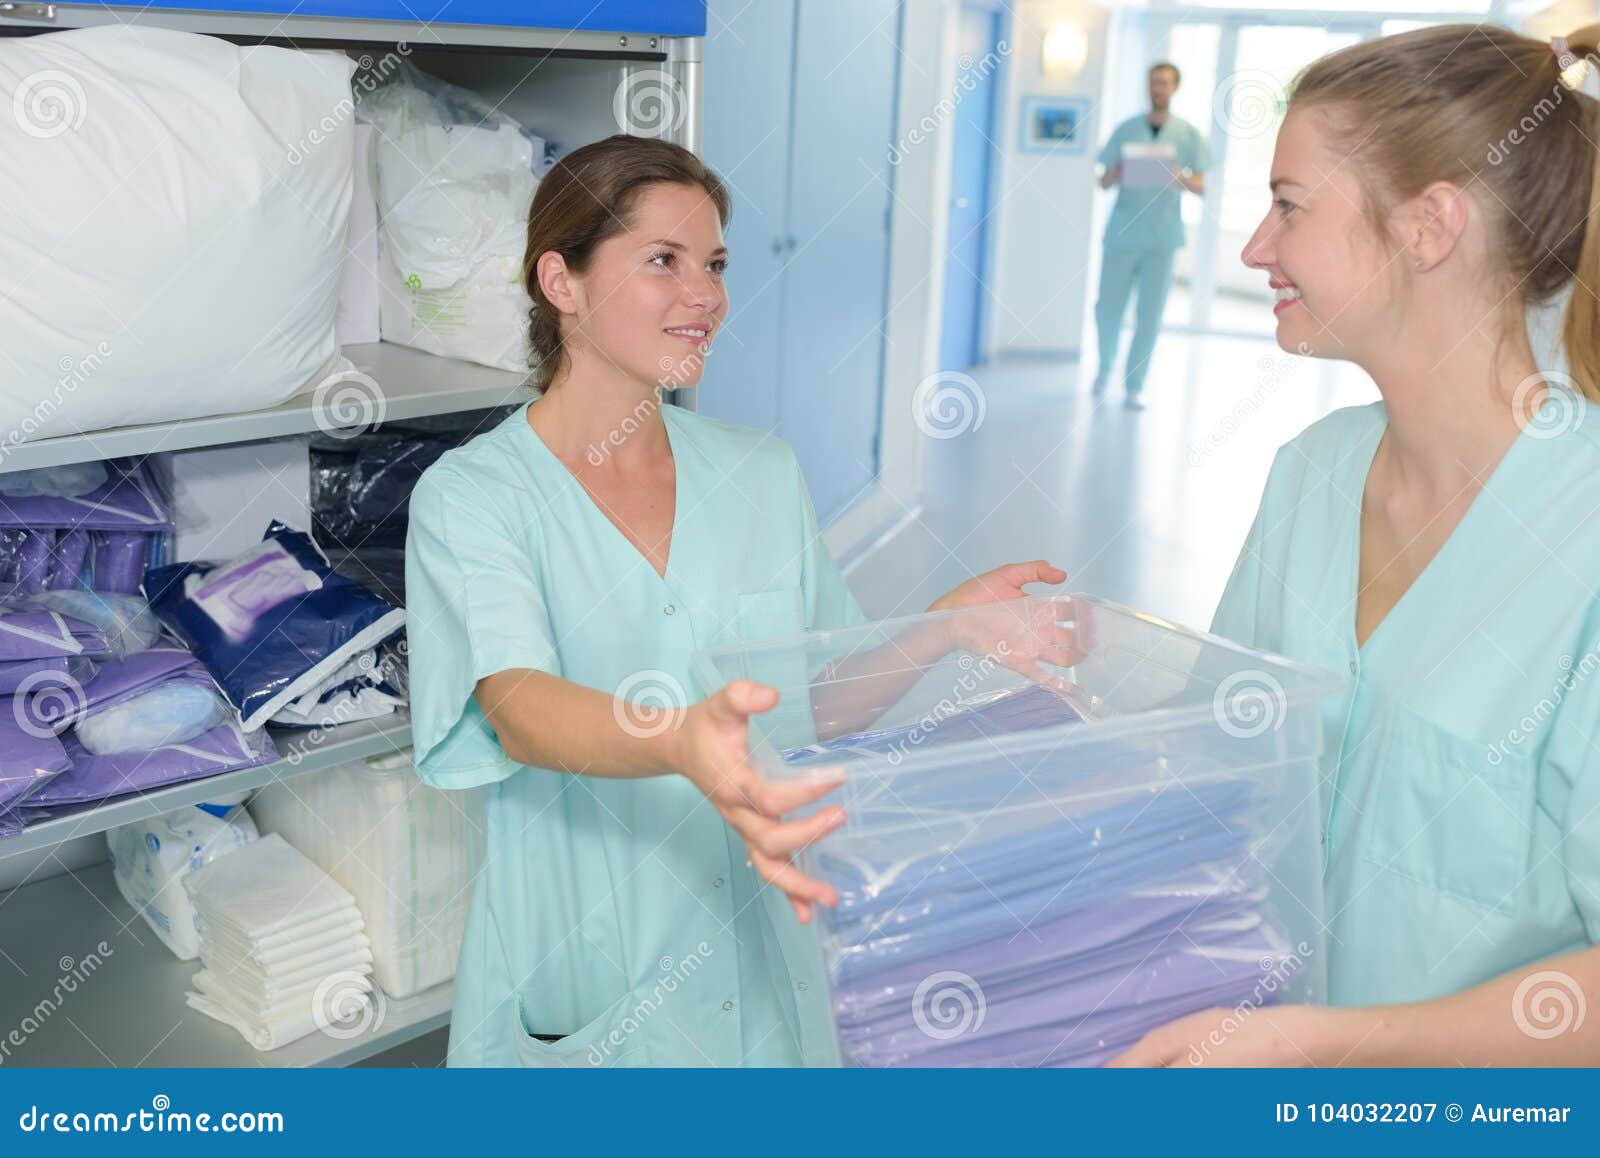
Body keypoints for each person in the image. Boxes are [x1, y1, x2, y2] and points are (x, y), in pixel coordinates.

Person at [403, 134, 1069, 1067]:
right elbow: (517, 708)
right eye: (663, 262)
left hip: (762, 976)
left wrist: (942, 630)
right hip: (594, 980)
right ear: (562, 282)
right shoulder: (473, 498)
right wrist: (680, 738)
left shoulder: (760, 474)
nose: (707, 295)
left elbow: (812, 700)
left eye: (714, 264)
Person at [1115, 24, 1600, 1066]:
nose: (1253, 247)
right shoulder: (1312, 475)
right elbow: (1219, 765)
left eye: (1288, 206)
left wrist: (1337, 1048)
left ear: (1428, 226)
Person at [1091, 62, 1209, 411]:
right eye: (1154, 82)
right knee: (1107, 310)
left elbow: (1202, 186)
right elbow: (1102, 181)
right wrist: (1116, 173)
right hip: (1123, 235)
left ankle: (1135, 385)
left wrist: (1179, 177)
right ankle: (1103, 369)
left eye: (1166, 82)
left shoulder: (1187, 133)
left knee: (1150, 316)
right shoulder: (1127, 128)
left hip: (1162, 238)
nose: (1159, 87)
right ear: (1147, 86)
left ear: (1175, 87)